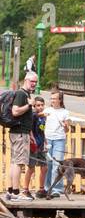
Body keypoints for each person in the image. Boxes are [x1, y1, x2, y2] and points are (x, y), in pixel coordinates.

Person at [3, 72, 38, 200]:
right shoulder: (22, 94)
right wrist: (29, 105)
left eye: (35, 82)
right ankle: (16, 193)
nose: (34, 84)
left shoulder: (25, 94)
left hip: (19, 132)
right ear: (25, 80)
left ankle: (11, 190)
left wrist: (30, 134)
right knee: (19, 163)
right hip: (20, 134)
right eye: (32, 81)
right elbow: (15, 111)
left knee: (14, 162)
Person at [44, 90, 75, 198]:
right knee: (48, 165)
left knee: (57, 165)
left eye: (54, 99)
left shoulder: (65, 112)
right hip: (47, 139)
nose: (52, 100)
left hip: (59, 140)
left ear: (60, 100)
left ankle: (56, 189)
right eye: (51, 98)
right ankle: (47, 188)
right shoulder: (47, 110)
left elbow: (67, 130)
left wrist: (64, 126)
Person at [23, 95, 47, 197]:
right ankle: (25, 189)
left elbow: (43, 130)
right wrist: (33, 140)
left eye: (42, 105)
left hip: (41, 144)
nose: (40, 107)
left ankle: (41, 189)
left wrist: (45, 142)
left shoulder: (43, 117)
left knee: (44, 167)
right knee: (31, 167)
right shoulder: (33, 115)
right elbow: (29, 129)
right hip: (33, 145)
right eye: (37, 105)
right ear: (34, 106)